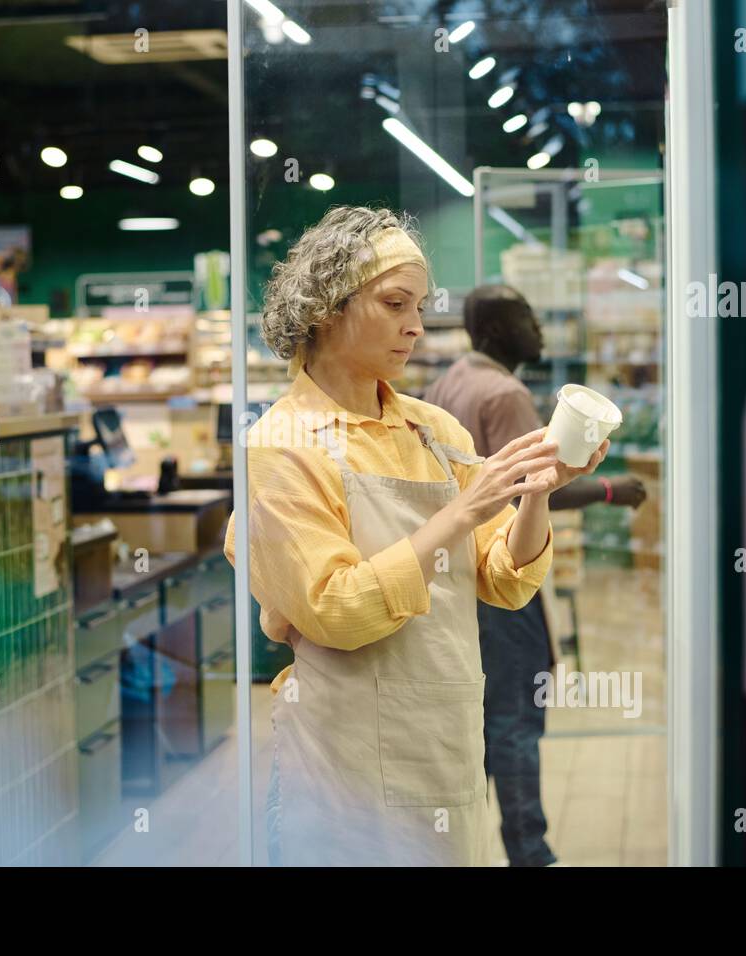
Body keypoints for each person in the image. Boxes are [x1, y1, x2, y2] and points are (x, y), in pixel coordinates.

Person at [224, 207, 607, 866]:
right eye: (395, 302)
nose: (416, 325)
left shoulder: (437, 432)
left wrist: (538, 489)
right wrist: (462, 511)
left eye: (420, 305)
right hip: (340, 775)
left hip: (445, 752)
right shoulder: (280, 447)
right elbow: (337, 609)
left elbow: (503, 579)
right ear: (325, 309)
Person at [425, 284, 645, 866]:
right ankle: (531, 853)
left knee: (483, 718)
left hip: (454, 575)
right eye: (526, 316)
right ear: (496, 329)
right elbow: (534, 489)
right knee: (517, 718)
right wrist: (607, 487)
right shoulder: (505, 392)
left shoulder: (447, 384)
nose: (540, 328)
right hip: (503, 572)